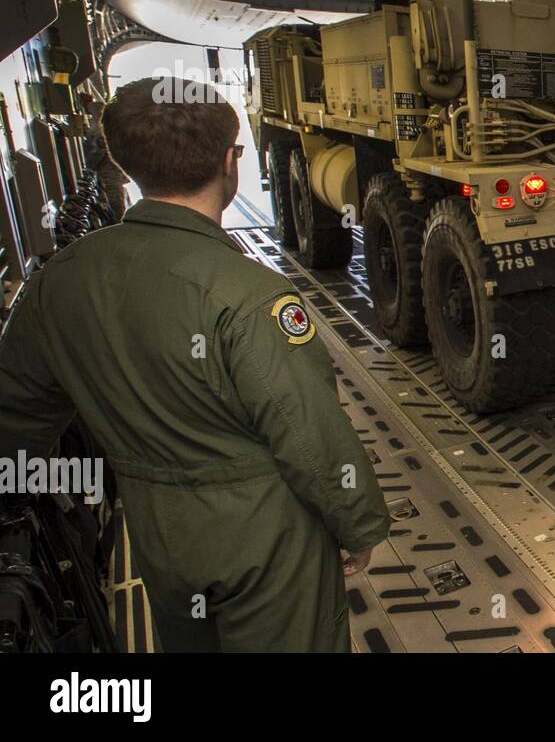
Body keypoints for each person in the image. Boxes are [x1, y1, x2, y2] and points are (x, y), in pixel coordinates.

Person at [0, 77, 390, 651]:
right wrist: (358, 524)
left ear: (124, 162)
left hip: (162, 538)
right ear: (230, 162)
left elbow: (15, 422)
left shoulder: (58, 283)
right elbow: (308, 435)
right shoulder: (250, 295)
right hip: (266, 542)